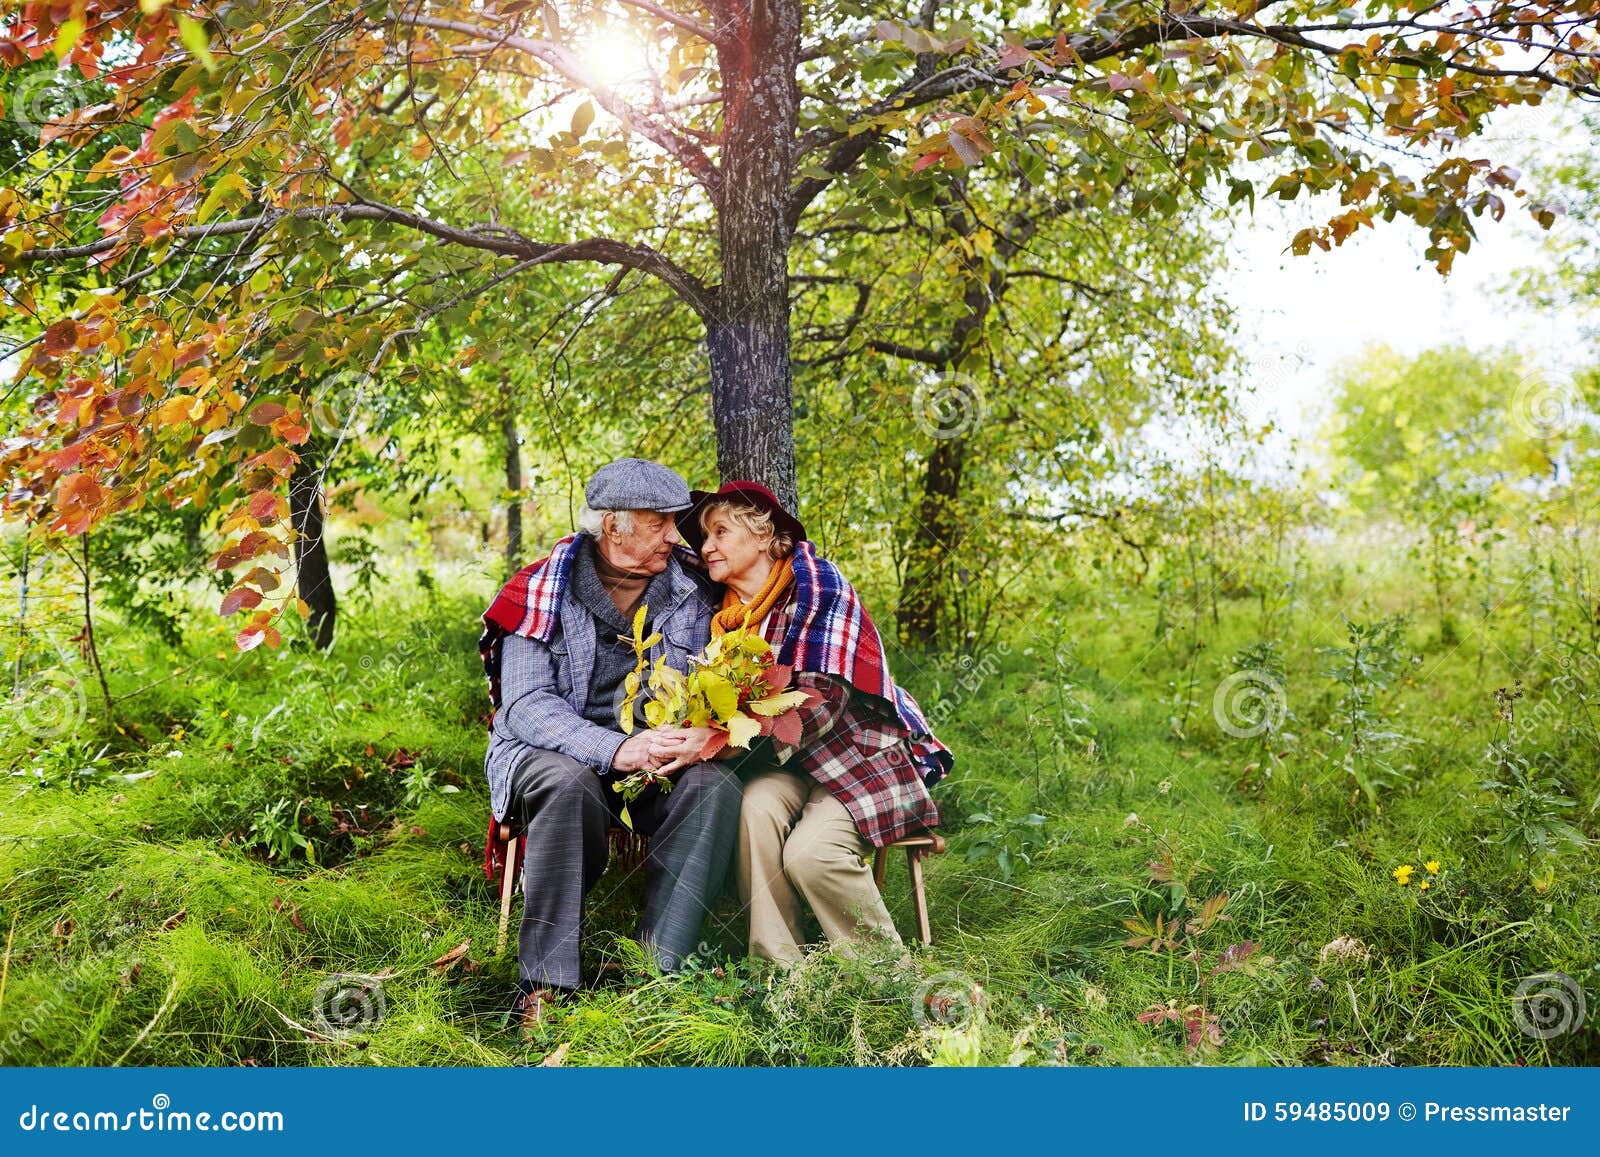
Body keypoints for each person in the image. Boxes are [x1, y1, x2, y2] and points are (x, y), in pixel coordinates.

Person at [479, 459, 742, 1028]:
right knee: (568, 782)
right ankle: (546, 984)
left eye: (677, 521)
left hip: (652, 755)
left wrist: (693, 734)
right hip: (555, 754)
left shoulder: (691, 587)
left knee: (712, 786)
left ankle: (656, 973)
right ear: (613, 527)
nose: (677, 535)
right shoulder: (541, 589)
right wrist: (615, 749)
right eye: (659, 523)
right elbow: (525, 706)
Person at [661, 481, 953, 966]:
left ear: (762, 535)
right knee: (754, 810)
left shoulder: (818, 588)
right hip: (782, 764)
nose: (706, 546)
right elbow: (649, 559)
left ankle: (886, 979)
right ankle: (781, 975)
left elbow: (819, 705)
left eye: (719, 532)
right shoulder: (725, 615)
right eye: (704, 538)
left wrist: (711, 741)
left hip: (853, 758)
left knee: (810, 855)